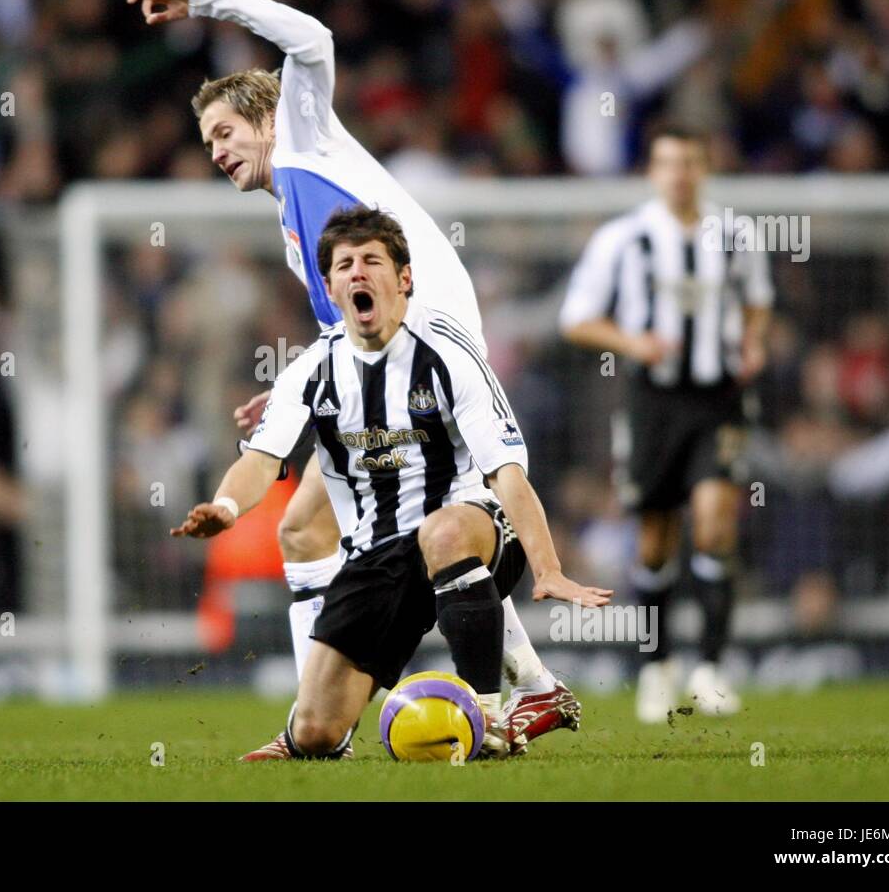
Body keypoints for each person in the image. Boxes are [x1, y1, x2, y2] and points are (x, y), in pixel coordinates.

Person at [128, 0, 581, 746]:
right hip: (386, 358)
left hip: (430, 349)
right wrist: (301, 387)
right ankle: (512, 691)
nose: (216, 152)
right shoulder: (293, 225)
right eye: (207, 144)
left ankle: (419, 712)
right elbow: (345, 322)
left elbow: (311, 38)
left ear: (265, 118)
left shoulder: (305, 133)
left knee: (424, 527)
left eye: (225, 133)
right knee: (305, 527)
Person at [172, 205, 611, 759]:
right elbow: (261, 458)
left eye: (372, 261)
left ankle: (486, 719)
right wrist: (228, 507)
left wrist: (548, 569)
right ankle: (529, 688)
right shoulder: (312, 370)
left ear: (403, 279)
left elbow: (506, 473)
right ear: (329, 288)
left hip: (473, 531)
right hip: (374, 560)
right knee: (315, 735)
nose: (358, 272)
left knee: (443, 532)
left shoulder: (448, 353)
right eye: (344, 264)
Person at [559, 124, 773, 722]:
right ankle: (656, 667)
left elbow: (757, 299)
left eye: (690, 162)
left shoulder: (736, 234)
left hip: (718, 399)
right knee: (654, 539)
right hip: (651, 403)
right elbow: (576, 318)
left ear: (706, 167)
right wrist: (632, 341)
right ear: (652, 171)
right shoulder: (624, 238)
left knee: (713, 520)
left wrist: (753, 340)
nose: (680, 173)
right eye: (668, 162)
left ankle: (710, 667)